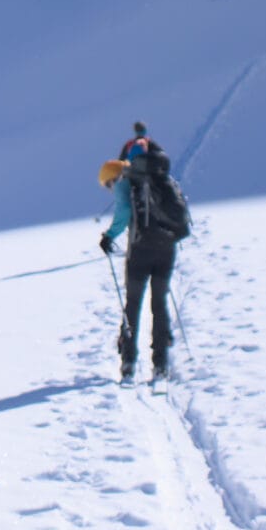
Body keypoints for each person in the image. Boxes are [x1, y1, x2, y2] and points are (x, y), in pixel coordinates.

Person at [98, 132, 186, 383]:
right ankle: (160, 363)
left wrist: (109, 236)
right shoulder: (164, 178)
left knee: (133, 305)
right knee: (159, 304)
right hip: (166, 249)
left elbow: (124, 212)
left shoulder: (127, 181)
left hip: (140, 251)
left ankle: (128, 362)